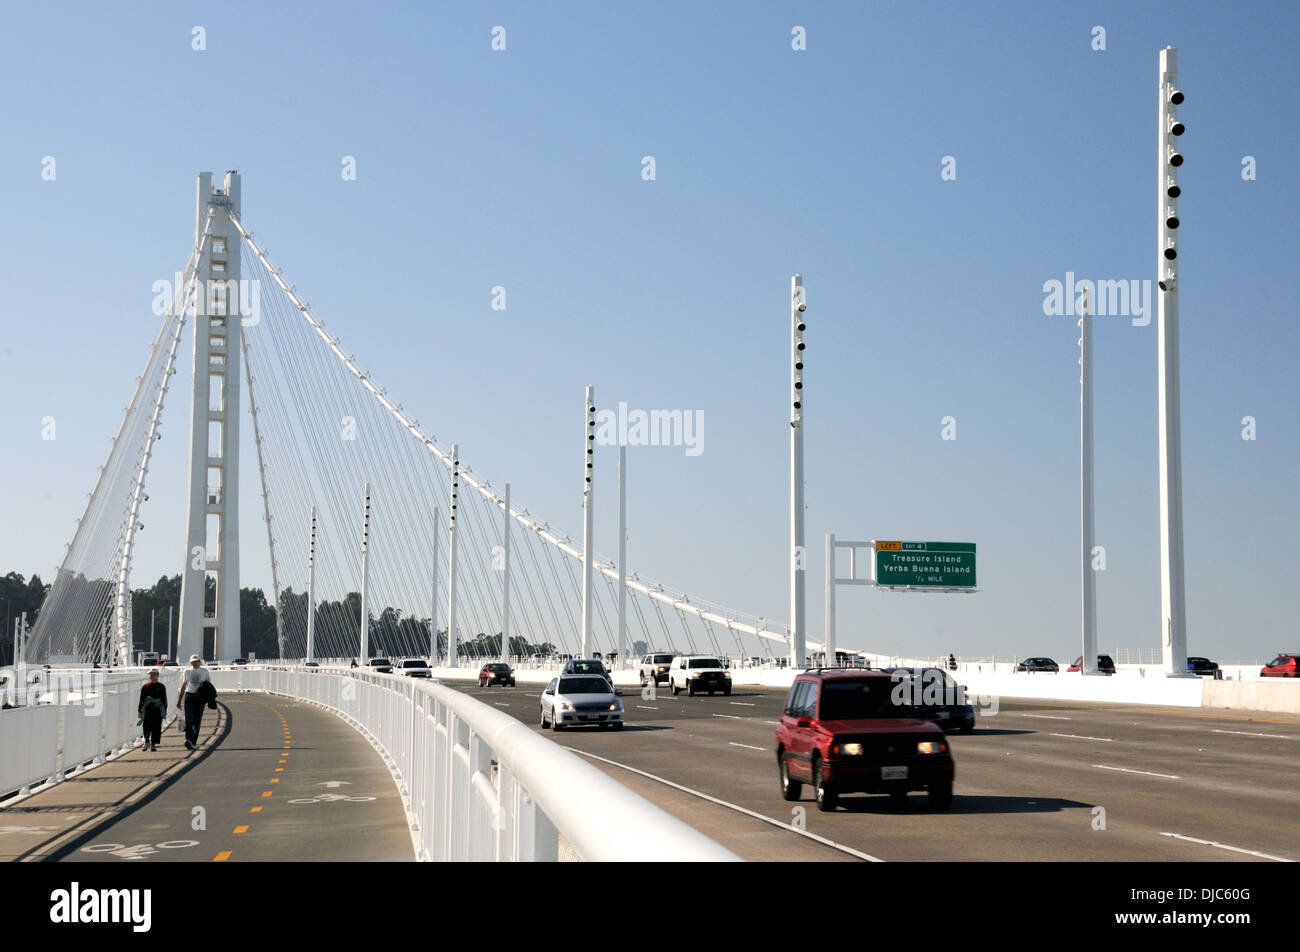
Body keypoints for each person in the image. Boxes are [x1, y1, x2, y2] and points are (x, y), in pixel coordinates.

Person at [176, 654, 212, 750]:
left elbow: (208, 685)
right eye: (193, 662)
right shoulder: (187, 671)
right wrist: (179, 700)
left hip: (200, 697)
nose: (195, 663)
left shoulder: (205, 671)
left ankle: (193, 742)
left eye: (196, 662)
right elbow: (183, 685)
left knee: (197, 721)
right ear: (190, 663)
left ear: (200, 662)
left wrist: (208, 698)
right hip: (189, 696)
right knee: (189, 720)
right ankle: (188, 740)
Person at [138, 668, 167, 751]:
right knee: (146, 726)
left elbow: (164, 699)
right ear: (149, 676)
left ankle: (153, 744)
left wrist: (164, 709)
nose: (152, 676)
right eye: (151, 674)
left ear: (157, 676)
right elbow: (142, 699)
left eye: (154, 674)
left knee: (156, 726)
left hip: (158, 709)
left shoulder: (161, 686)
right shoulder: (145, 687)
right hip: (147, 709)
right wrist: (139, 710)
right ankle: (146, 741)